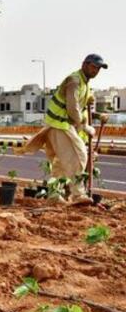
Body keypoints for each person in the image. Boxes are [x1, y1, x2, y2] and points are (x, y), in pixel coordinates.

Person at [22, 54, 108, 204]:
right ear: (84, 65)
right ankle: (78, 194)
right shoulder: (74, 81)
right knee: (78, 155)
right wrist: (84, 127)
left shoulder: (84, 83)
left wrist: (97, 115)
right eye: (93, 67)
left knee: (61, 162)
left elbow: (79, 108)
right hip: (59, 124)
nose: (96, 71)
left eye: (98, 68)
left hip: (62, 124)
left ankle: (54, 194)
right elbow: (72, 108)